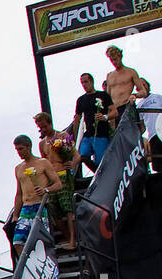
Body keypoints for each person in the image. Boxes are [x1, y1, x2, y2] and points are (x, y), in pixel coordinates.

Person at [10, 134, 62, 259]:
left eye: (21, 149)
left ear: (29, 147)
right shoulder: (18, 168)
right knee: (17, 241)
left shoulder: (42, 163)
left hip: (41, 206)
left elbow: (58, 184)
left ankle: (45, 264)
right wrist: (15, 214)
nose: (19, 152)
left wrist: (46, 190)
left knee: (42, 241)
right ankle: (28, 266)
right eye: (17, 150)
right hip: (26, 207)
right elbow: (19, 193)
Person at [35, 112, 78, 249]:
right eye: (40, 128)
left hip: (63, 175)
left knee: (68, 209)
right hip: (51, 179)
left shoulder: (63, 136)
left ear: (49, 123)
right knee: (53, 211)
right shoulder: (42, 144)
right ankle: (67, 237)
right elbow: (44, 162)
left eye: (45, 126)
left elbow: (76, 155)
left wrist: (72, 163)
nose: (43, 130)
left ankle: (72, 240)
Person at [69, 73, 113, 173]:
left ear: (91, 81)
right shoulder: (81, 100)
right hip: (88, 133)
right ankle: (98, 173)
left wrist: (105, 117)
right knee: (82, 155)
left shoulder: (103, 95)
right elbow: (77, 118)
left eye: (86, 82)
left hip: (101, 133)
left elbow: (114, 111)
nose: (84, 85)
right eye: (82, 83)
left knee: (100, 161)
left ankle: (101, 174)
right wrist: (75, 138)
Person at [103, 45, 141, 125]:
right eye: (112, 60)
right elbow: (108, 96)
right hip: (115, 111)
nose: (114, 62)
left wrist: (134, 95)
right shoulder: (110, 75)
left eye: (115, 59)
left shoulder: (131, 72)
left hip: (127, 107)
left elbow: (143, 91)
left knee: (130, 134)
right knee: (117, 135)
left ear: (120, 56)